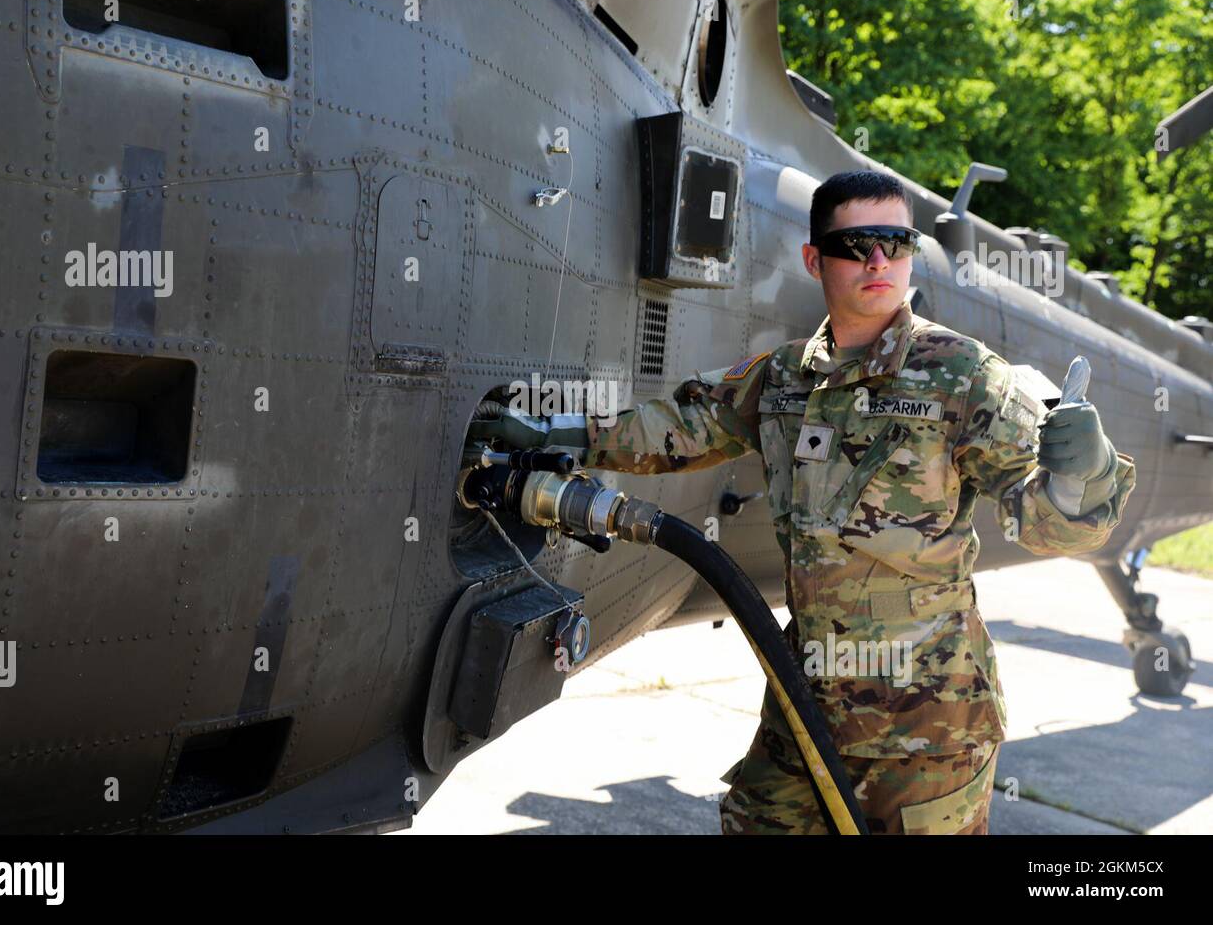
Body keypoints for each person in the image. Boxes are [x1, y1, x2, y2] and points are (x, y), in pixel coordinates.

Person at [479, 169, 1136, 834]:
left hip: (927, 725)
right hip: (809, 699)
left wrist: (1086, 473)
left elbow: (1055, 527)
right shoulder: (783, 378)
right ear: (814, 260)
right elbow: (676, 428)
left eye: (895, 241)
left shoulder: (964, 377)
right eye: (856, 245)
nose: (879, 260)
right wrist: (559, 429)